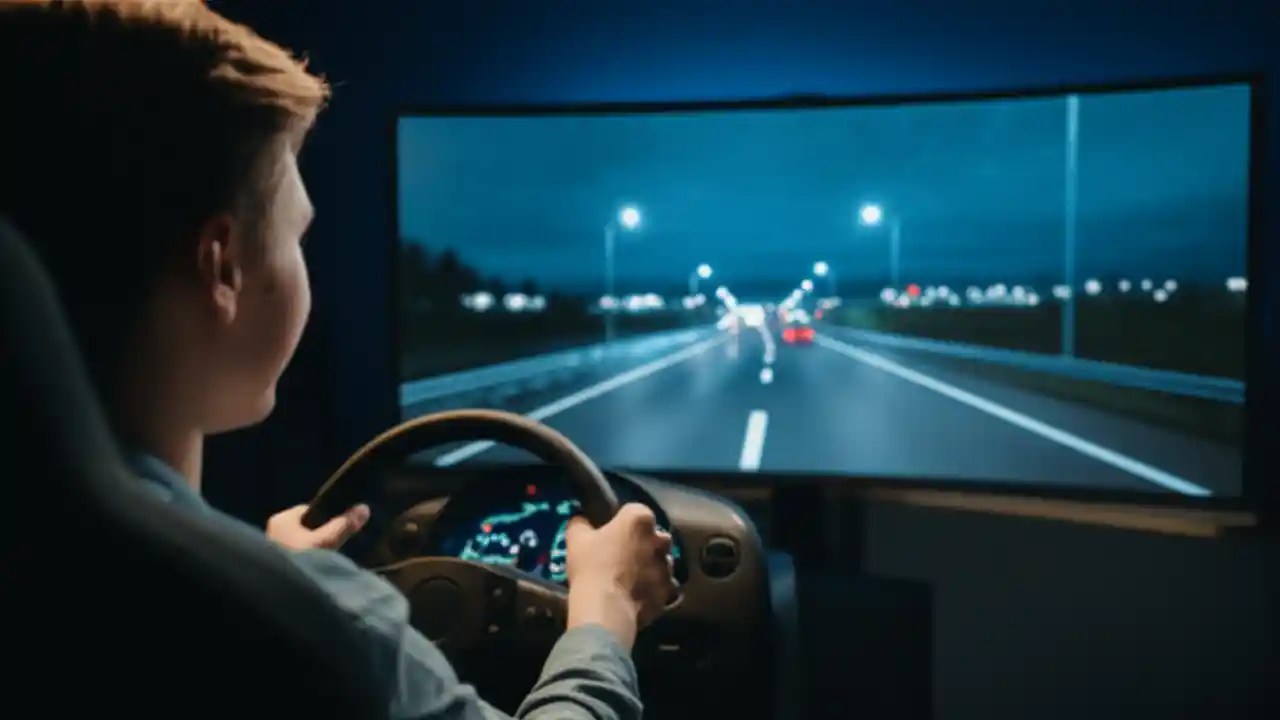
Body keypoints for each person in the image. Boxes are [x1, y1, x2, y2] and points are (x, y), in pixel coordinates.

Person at [0, 2, 677, 718]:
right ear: (222, 266)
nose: (306, 269)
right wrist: (605, 609)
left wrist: (276, 571)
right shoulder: (320, 623)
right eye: (297, 236)